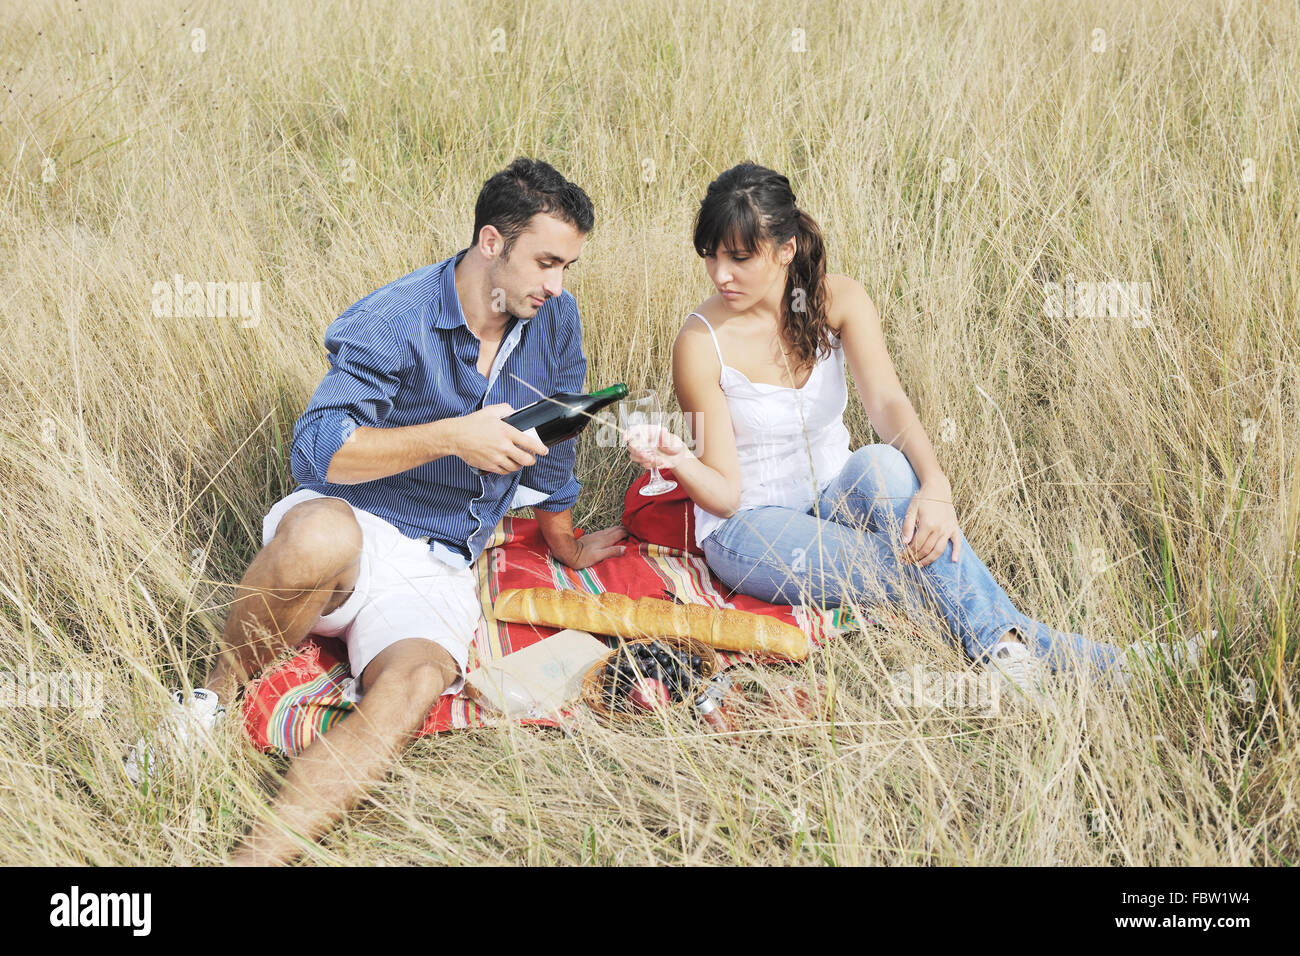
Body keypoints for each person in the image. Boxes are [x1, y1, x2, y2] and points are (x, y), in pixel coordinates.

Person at [125, 157, 628, 865]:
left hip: (441, 561)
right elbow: (318, 452)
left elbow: (554, 444)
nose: (557, 285)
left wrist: (567, 544)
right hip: (354, 522)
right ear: (492, 242)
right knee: (316, 537)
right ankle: (210, 700)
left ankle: (257, 858)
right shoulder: (396, 316)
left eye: (568, 266)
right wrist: (456, 437)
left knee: (413, 687)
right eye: (546, 262)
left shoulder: (555, 319)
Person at [625, 162, 1209, 701]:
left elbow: (886, 400)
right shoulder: (701, 343)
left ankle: (1014, 654)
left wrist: (935, 487)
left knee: (882, 463)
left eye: (740, 257)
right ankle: (1091, 661)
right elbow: (724, 493)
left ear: (786, 248)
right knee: (909, 569)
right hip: (749, 525)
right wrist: (679, 459)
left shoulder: (837, 299)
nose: (720, 274)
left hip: (834, 495)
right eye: (710, 256)